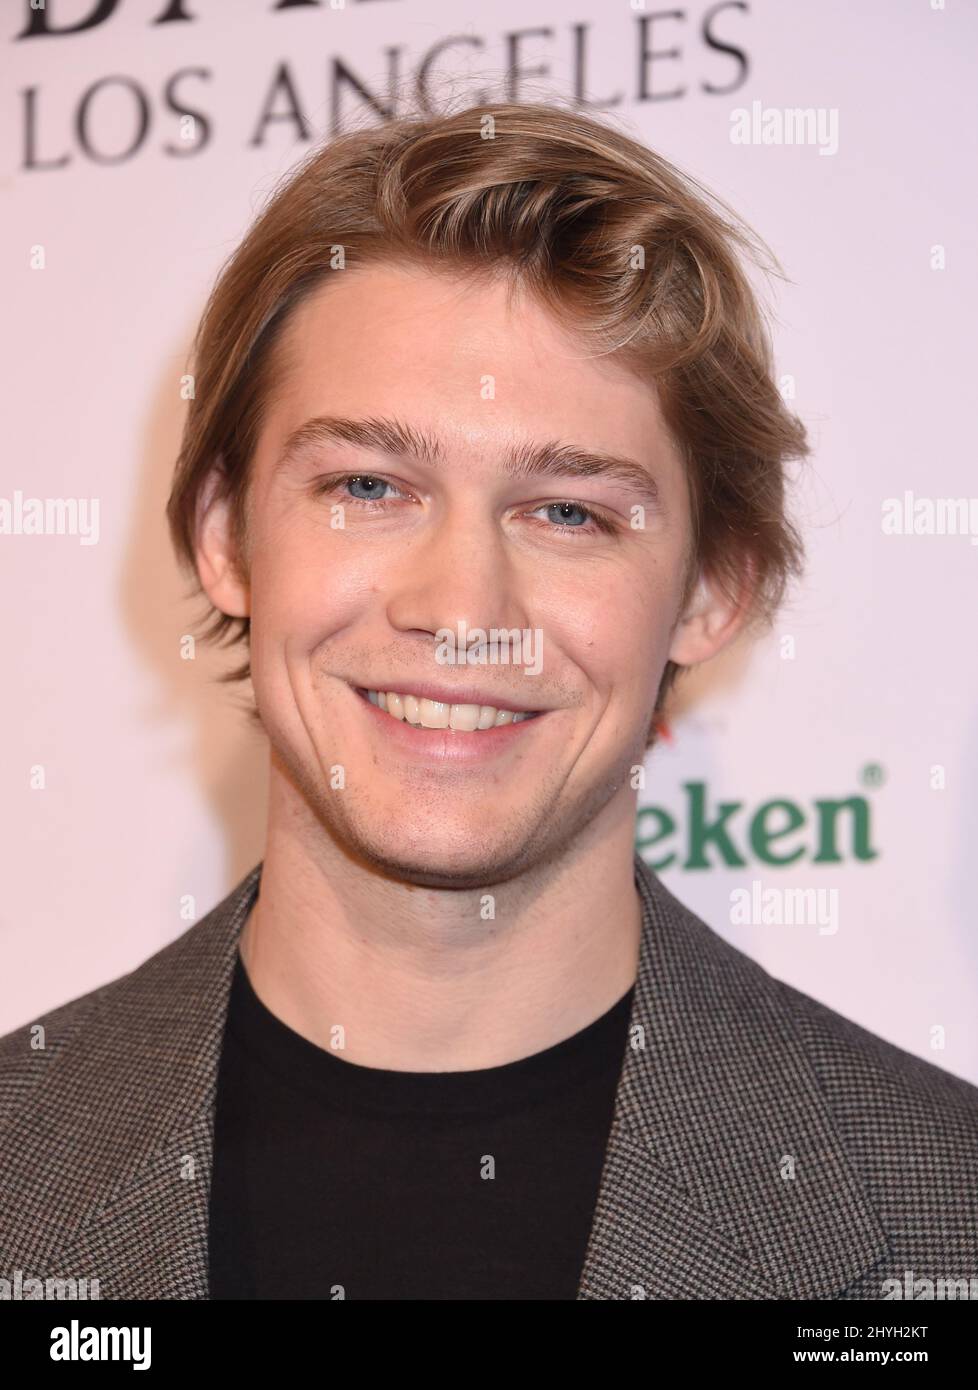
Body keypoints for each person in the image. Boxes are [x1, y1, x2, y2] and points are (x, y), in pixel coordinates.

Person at [2, 100, 976, 1303]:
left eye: (569, 511)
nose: (461, 604)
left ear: (712, 589)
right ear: (226, 540)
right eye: (368, 483)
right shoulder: (21, 1160)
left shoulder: (946, 1213)